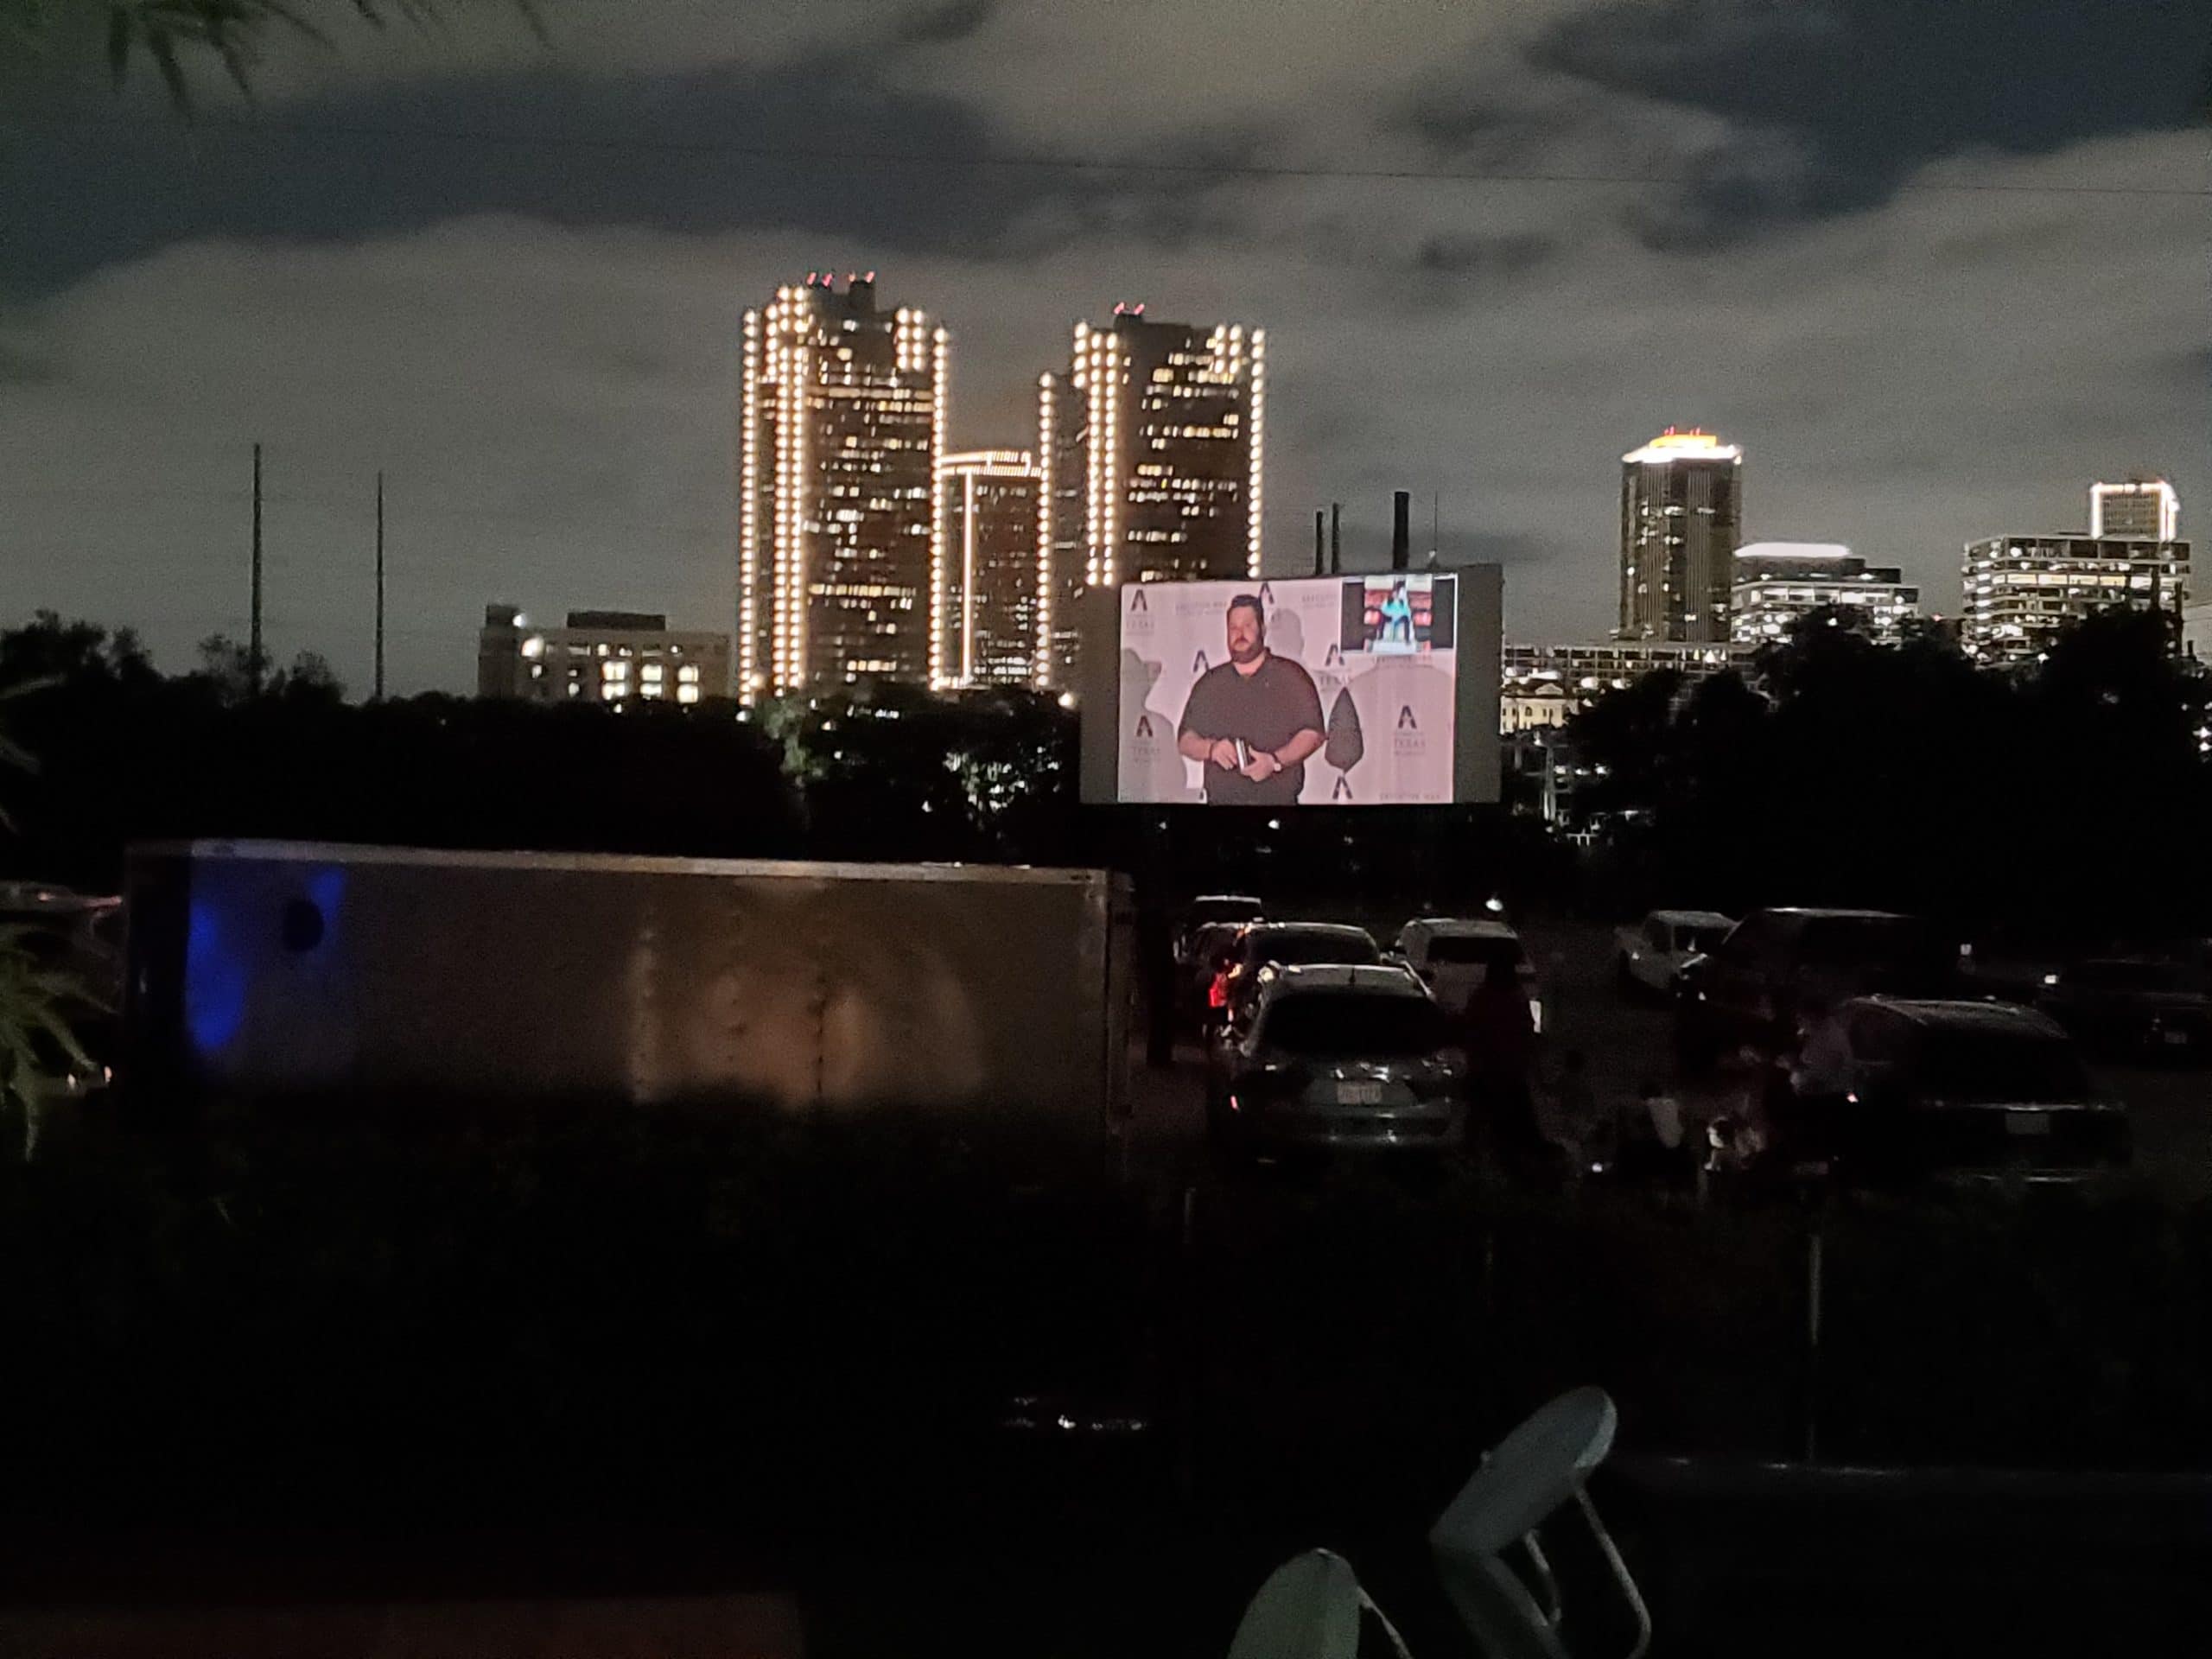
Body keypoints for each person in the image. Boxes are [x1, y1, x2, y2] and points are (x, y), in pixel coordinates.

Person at [1175, 594, 1325, 806]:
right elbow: (1185, 740)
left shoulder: (1291, 676)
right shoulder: (1210, 683)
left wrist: (1275, 762)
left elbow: (1313, 733)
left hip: (1278, 806)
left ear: (1263, 630)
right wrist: (1211, 749)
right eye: (1233, 627)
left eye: (1247, 625)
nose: (1240, 633)